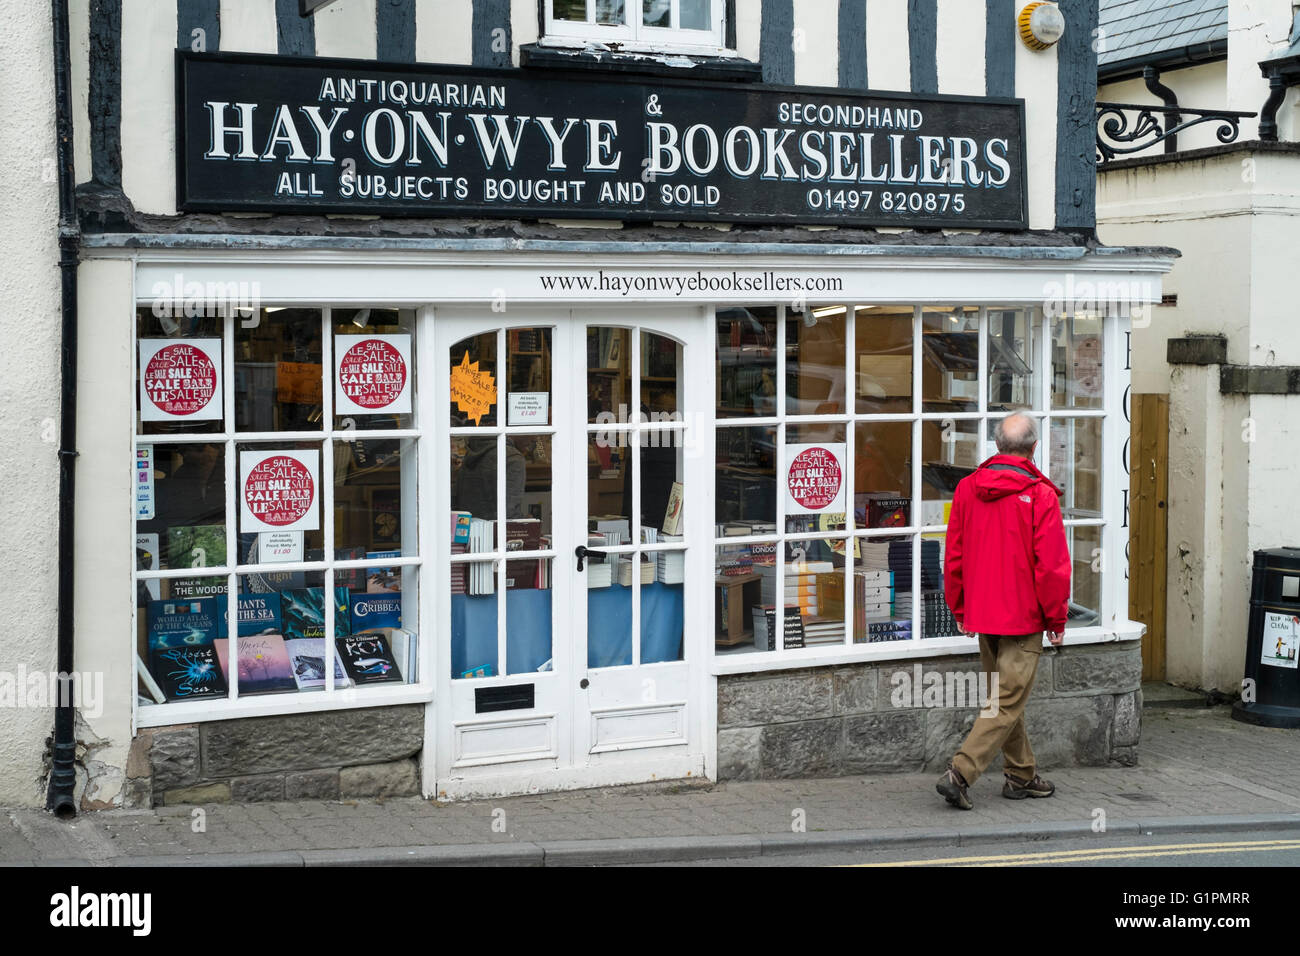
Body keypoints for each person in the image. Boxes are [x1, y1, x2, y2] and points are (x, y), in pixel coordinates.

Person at [935, 412, 1070, 810]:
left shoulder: (967, 489)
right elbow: (1052, 566)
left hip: (984, 613)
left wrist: (960, 606)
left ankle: (1021, 775)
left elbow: (954, 556)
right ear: (1033, 447)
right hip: (1023, 617)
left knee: (1005, 697)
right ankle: (960, 773)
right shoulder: (1040, 495)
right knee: (1006, 701)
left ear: (997, 446)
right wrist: (1056, 619)